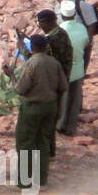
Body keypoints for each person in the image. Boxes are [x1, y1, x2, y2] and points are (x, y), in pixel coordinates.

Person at [4, 34, 65, 190]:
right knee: (44, 142)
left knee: (25, 143)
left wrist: (11, 76)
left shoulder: (32, 64)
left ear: (31, 47)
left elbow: (20, 89)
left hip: (32, 108)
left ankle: (24, 181)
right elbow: (63, 86)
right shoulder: (54, 62)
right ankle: (41, 180)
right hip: (50, 106)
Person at [35, 9, 71, 158]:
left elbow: (41, 59)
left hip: (54, 83)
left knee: (48, 119)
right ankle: (49, 150)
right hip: (58, 80)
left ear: (49, 21)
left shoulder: (55, 38)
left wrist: (26, 49)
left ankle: (48, 152)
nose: (40, 25)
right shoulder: (59, 34)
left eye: (41, 22)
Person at [57, 0, 89, 136]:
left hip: (64, 71)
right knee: (75, 99)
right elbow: (86, 43)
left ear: (62, 16)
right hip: (78, 69)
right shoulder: (82, 28)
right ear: (75, 14)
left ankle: (60, 124)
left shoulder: (59, 31)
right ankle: (71, 127)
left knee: (63, 98)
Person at [52, 0, 98, 70]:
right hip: (67, 44)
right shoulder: (57, 8)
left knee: (80, 70)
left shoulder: (81, 5)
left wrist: (87, 41)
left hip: (82, 43)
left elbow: (91, 23)